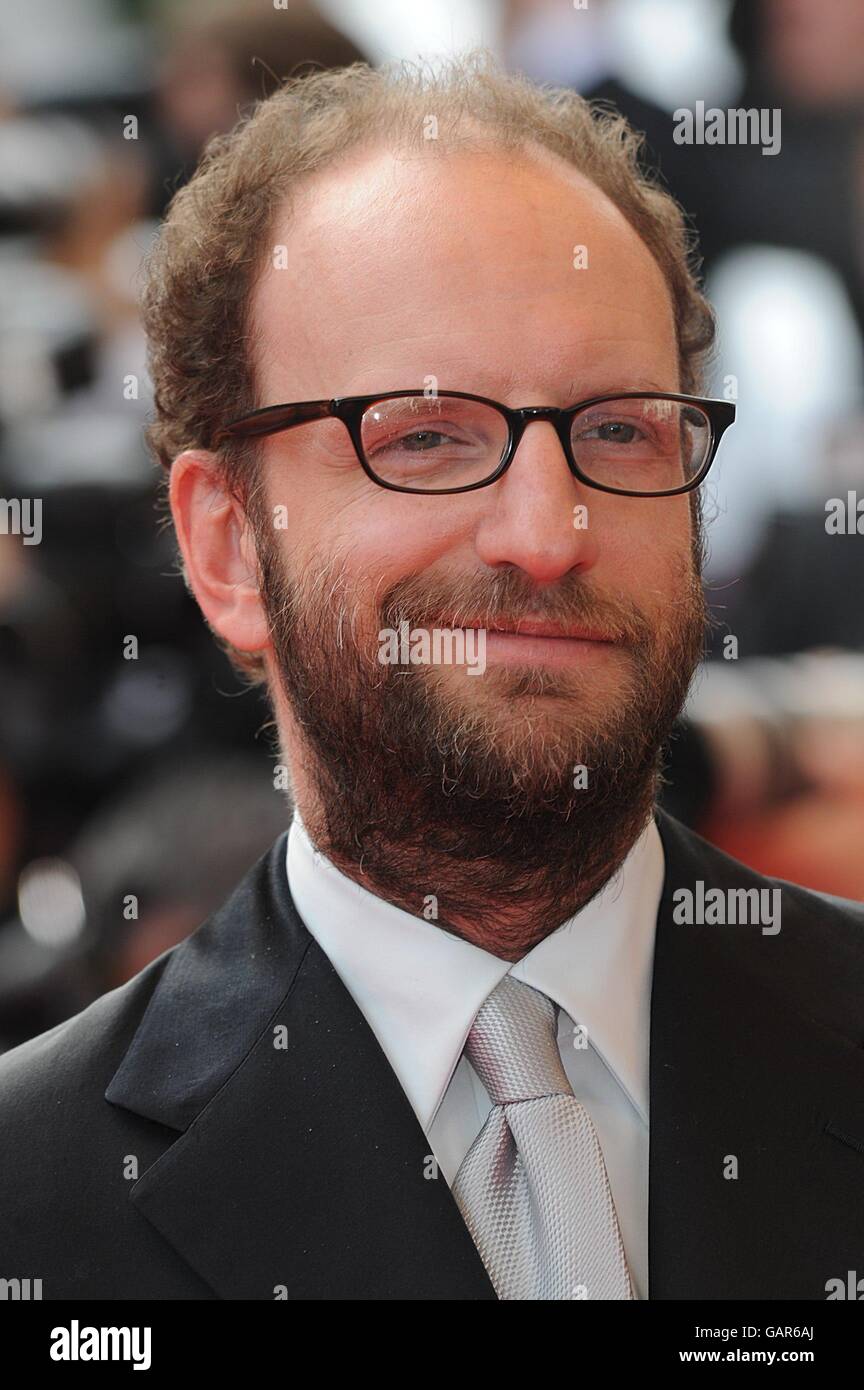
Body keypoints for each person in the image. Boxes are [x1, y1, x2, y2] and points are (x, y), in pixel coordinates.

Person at [0, 54, 862, 1303]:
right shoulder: (35, 1208)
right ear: (227, 546)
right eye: (424, 438)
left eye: (619, 427)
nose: (545, 531)